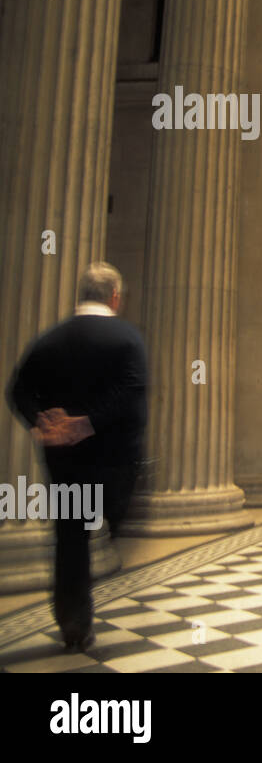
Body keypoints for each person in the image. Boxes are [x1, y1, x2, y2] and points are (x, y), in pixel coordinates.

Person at [5, 262, 148, 653]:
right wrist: (89, 423)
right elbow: (132, 393)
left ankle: (74, 623)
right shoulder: (127, 338)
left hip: (65, 462)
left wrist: (42, 421)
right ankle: (104, 542)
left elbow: (17, 389)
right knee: (105, 519)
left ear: (80, 295)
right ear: (115, 297)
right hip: (113, 461)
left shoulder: (50, 340)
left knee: (70, 537)